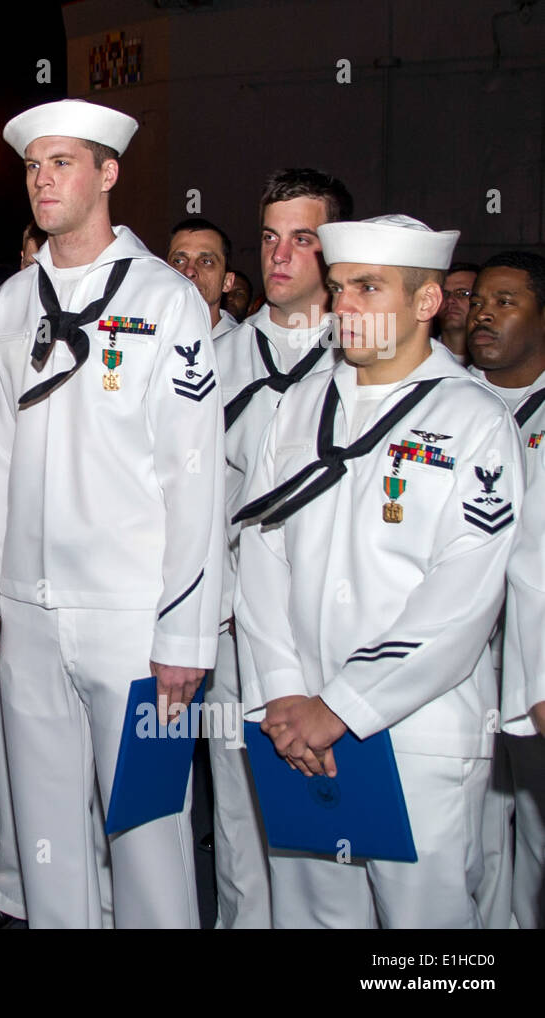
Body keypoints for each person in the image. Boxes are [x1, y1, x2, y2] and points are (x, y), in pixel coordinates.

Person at [0, 99, 225, 928]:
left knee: (147, 826)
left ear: (107, 174)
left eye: (62, 163)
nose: (43, 180)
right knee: (42, 829)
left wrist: (183, 635)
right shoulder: (7, 306)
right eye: (33, 166)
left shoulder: (165, 298)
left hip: (132, 616)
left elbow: (195, 479)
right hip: (28, 609)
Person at [233, 214, 521, 928]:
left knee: (425, 942)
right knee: (310, 918)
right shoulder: (302, 404)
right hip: (295, 727)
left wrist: (341, 705)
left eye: (369, 287)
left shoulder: (473, 420)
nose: (346, 308)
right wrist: (284, 690)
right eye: (337, 289)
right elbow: (263, 555)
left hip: (411, 728)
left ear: (427, 303)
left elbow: (461, 600)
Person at [208, 167, 350, 928]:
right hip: (237, 619)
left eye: (302, 239)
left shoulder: (365, 359)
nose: (281, 255)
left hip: (332, 627)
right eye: (269, 238)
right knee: (238, 812)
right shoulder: (218, 360)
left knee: (331, 824)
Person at [466, 250, 545, 928]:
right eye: (481, 299)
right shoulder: (447, 401)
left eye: (508, 301)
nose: (484, 312)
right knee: (476, 839)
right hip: (463, 658)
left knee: (540, 838)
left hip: (536, 657)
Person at [167, 217, 236, 337]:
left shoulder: (246, 349)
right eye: (178, 261)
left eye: (206, 262)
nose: (189, 271)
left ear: (227, 282)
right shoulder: (146, 341)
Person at [435, 261, 479, 365]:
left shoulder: (495, 364)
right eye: (444, 294)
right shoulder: (417, 359)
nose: (450, 300)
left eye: (463, 293)